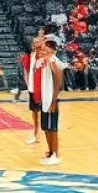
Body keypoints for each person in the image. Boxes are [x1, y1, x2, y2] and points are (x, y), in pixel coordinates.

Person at [36, 37, 64, 166]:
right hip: (45, 98)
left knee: (53, 128)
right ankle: (50, 150)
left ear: (51, 49)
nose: (43, 49)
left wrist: (53, 100)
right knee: (46, 127)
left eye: (45, 47)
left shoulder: (54, 62)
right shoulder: (45, 62)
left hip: (51, 100)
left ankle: (55, 154)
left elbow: (58, 82)